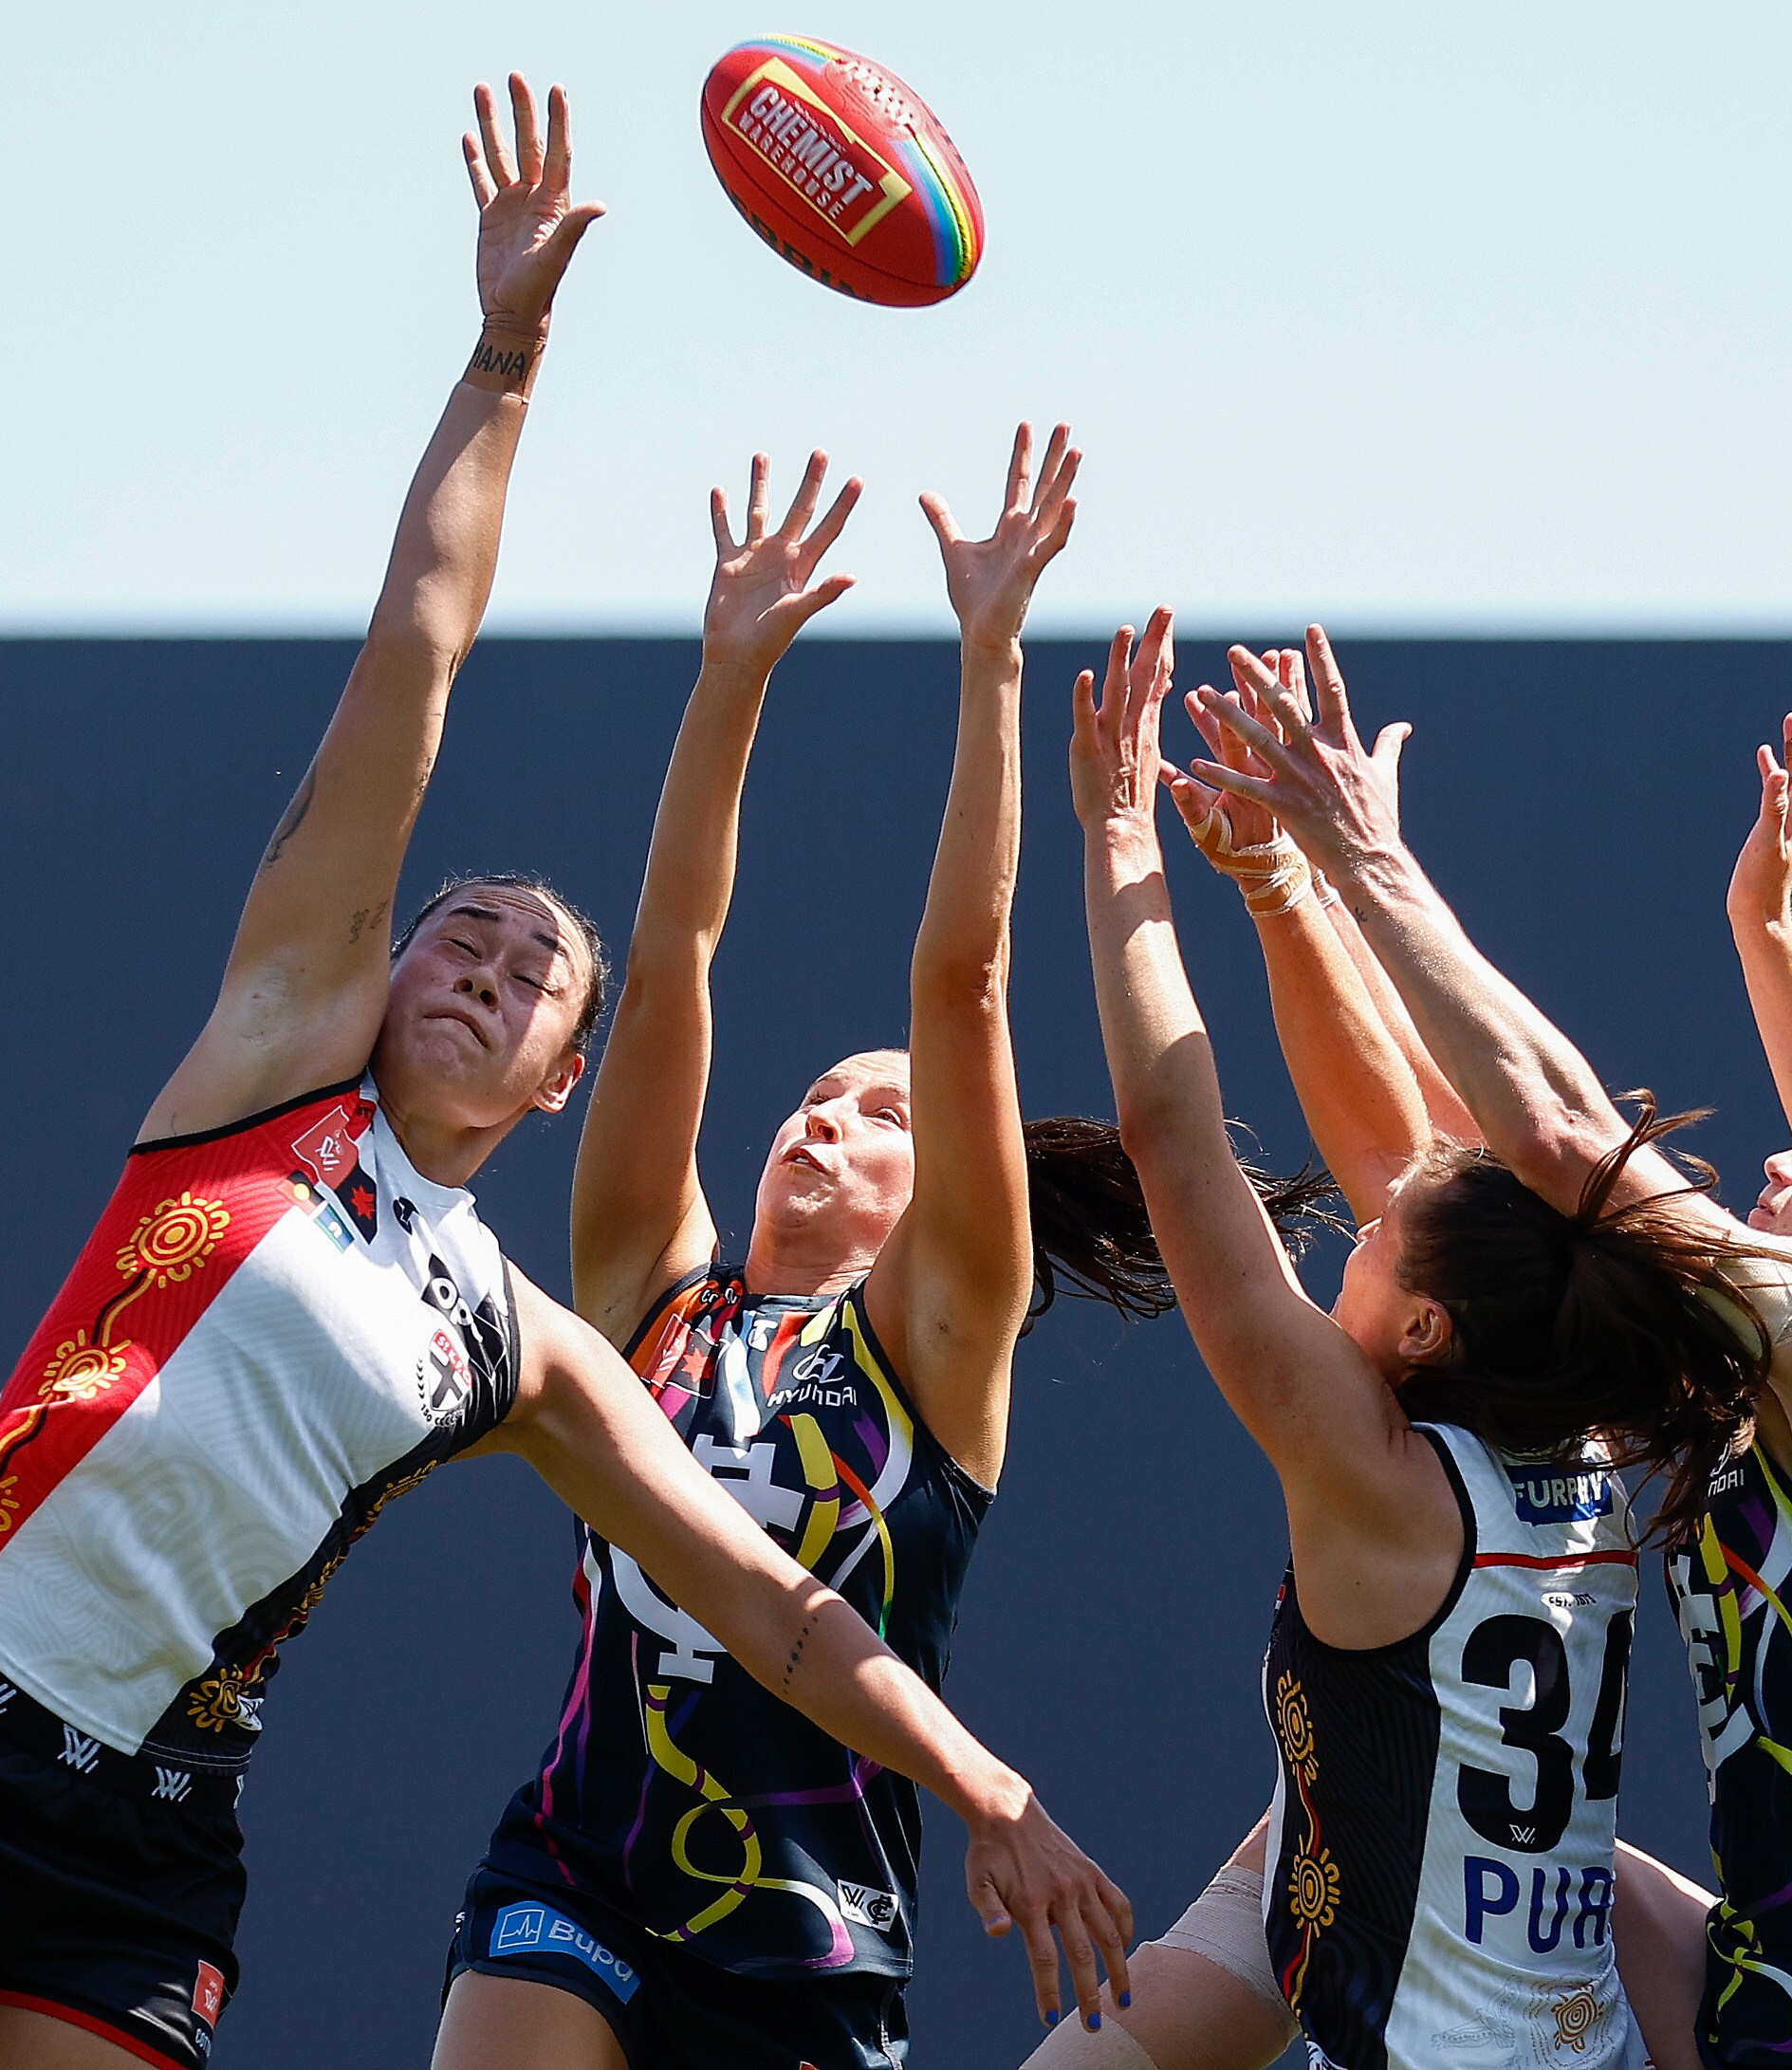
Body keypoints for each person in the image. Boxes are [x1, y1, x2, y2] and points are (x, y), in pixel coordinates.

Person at [0, 79, 1119, 2070]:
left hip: (145, 1842)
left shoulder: (520, 1338)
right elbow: (420, 649)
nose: (489, 964)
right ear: (375, 971)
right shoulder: (273, 1073)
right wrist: (507, 346)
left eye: (537, 970)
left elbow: (776, 1602)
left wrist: (989, 1786)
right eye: (458, 933)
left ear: (564, 1075)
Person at [436, 430, 1301, 2070]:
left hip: (806, 1931)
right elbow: (674, 956)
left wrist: (991, 656)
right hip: (573, 1875)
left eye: (880, 1113)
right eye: (814, 1097)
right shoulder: (647, 1295)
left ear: (945, 1187)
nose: (824, 1119)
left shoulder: (936, 1342)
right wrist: (729, 677)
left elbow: (960, 980)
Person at [1169, 631, 1792, 2070]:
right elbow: (1449, 1179)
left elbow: (1561, 1134)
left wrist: (1365, 860)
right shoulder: (1768, 1373)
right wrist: (1299, 890)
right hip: (1775, 1987)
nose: (1781, 1152)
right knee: (1373, 1847)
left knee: (1371, 1855)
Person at [1073, 611, 1792, 2070]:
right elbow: (1419, 1155)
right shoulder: (1580, 1434)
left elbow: (1172, 1139)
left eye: (1376, 1229)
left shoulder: (1370, 1475)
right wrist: (1280, 887)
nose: (1357, 1214)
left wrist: (1118, 836)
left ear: (1428, 1324)